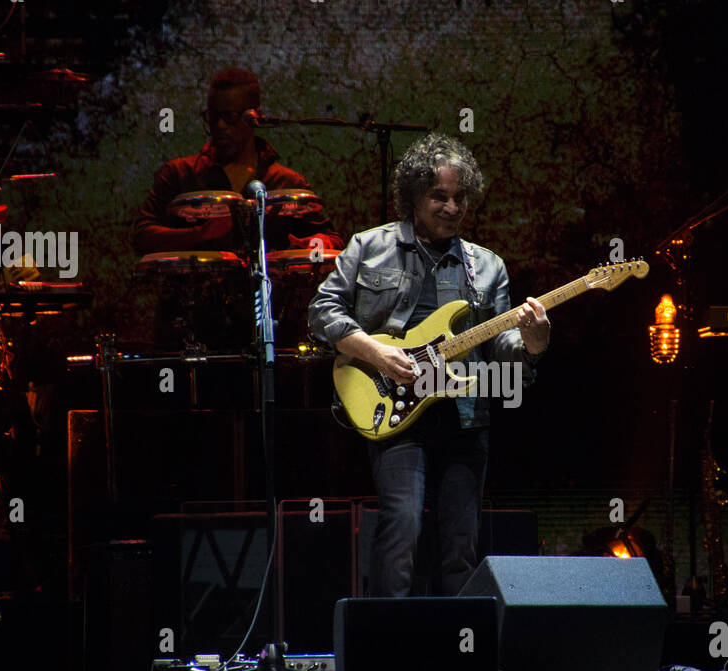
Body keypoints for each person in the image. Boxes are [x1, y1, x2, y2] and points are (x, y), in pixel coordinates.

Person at [308, 133, 549, 597]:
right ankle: (386, 654)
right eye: (440, 196)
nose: (452, 207)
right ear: (415, 195)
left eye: (460, 198)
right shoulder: (368, 247)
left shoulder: (488, 266)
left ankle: (460, 655)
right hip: (395, 412)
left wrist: (534, 344)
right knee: (401, 530)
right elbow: (322, 311)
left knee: (461, 544)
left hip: (464, 416)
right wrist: (376, 352)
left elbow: (502, 350)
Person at [132, 68, 342, 255]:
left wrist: (318, 242)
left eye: (229, 116)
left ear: (254, 116)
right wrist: (199, 234)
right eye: (213, 117)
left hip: (271, 296)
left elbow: (332, 240)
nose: (220, 126)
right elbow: (142, 236)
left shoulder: (287, 183)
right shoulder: (179, 175)